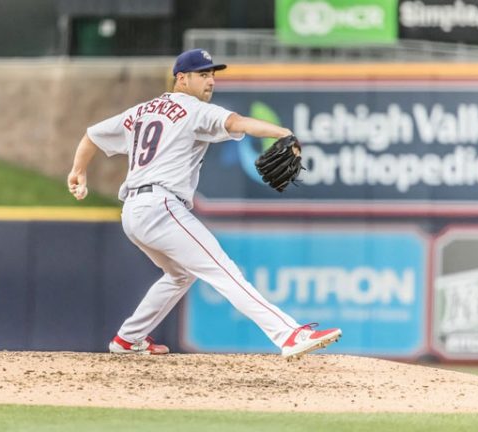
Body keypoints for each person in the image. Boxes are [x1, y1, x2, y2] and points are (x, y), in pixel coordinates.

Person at [67, 48, 342, 359]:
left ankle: (128, 339)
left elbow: (91, 136)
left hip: (133, 211)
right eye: (203, 74)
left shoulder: (142, 111)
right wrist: (284, 132)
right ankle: (289, 334)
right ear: (181, 78)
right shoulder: (194, 109)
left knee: (180, 275)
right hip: (160, 207)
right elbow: (238, 122)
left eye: (212, 74)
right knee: (223, 269)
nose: (210, 81)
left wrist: (78, 170)